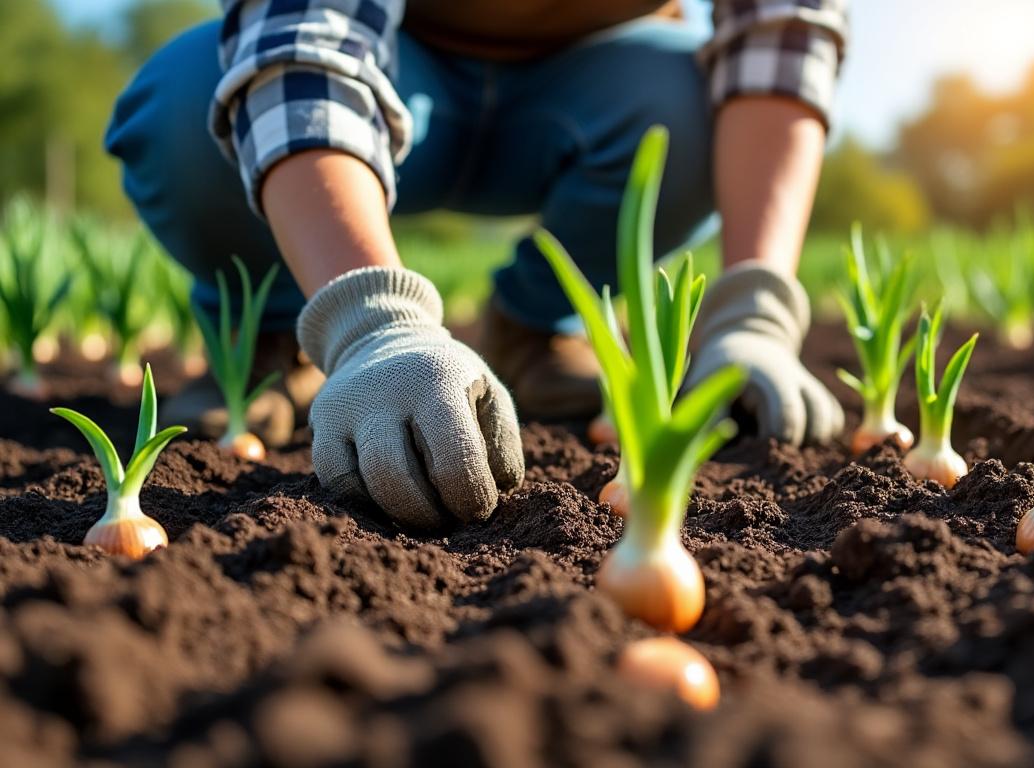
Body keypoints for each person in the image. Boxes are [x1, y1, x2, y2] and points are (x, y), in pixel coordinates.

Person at [105, 0, 848, 529]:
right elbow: (297, 42)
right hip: (393, 66)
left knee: (689, 106)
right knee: (185, 104)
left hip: (592, 92)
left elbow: (782, 31)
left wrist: (755, 307)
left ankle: (537, 326)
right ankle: (279, 335)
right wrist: (372, 323)